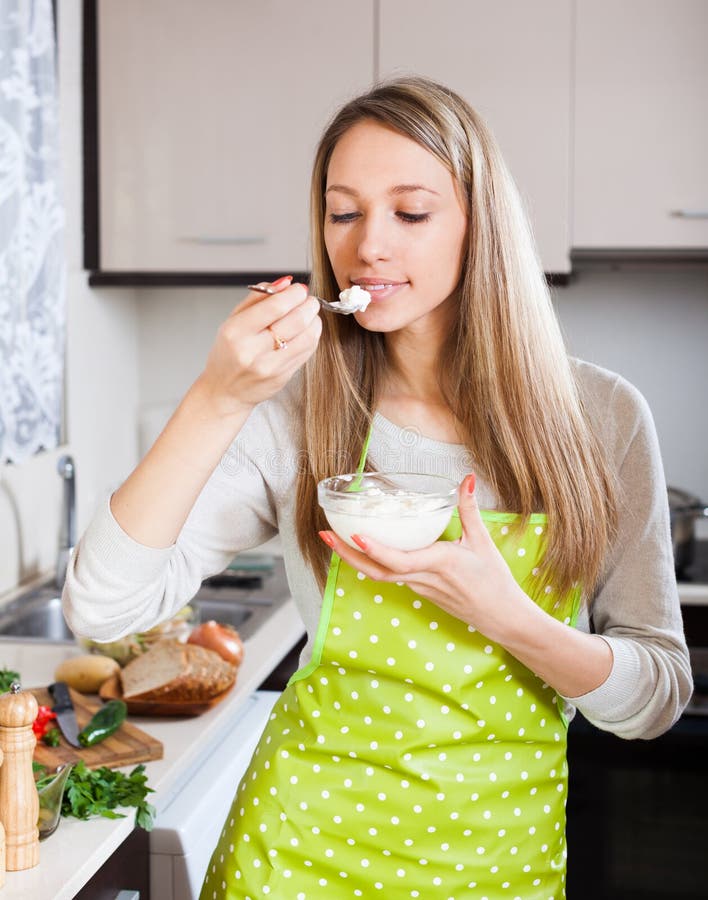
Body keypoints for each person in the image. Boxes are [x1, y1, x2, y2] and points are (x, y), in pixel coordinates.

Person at [63, 77, 691, 899]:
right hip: (295, 857)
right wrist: (217, 397)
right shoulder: (300, 411)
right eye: (344, 211)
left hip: (496, 865)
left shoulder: (600, 418)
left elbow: (654, 701)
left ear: (479, 224)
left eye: (412, 212)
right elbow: (104, 610)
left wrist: (508, 617)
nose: (368, 246)